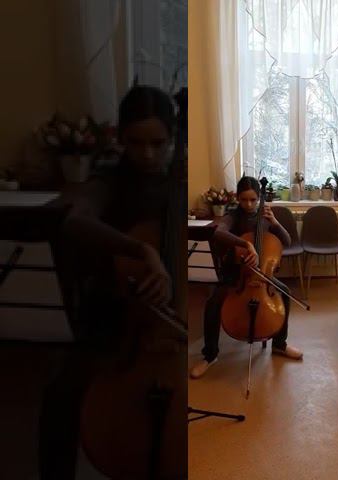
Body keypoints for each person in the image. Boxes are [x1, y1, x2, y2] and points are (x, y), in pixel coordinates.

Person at [38, 84, 181, 479]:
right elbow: (75, 221)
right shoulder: (110, 181)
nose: (147, 154)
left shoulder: (177, 186)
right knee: (61, 391)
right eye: (136, 142)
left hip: (174, 327)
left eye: (158, 143)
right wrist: (142, 250)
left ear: (172, 138)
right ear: (120, 138)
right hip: (118, 320)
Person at [189, 176, 303, 379]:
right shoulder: (233, 216)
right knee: (213, 303)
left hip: (262, 275)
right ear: (238, 198)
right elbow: (218, 233)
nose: (248, 205)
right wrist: (246, 244)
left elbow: (286, 241)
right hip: (237, 275)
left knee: (285, 292)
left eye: (253, 200)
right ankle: (210, 355)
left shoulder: (265, 217)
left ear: (259, 198)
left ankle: (279, 344)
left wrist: (275, 222)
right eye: (244, 200)